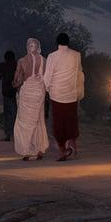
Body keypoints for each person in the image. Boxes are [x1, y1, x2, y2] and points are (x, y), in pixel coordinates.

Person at [42, 33, 84, 162]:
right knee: (71, 120)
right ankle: (72, 143)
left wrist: (46, 88)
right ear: (68, 42)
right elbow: (79, 74)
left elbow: (48, 76)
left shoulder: (52, 56)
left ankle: (62, 151)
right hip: (71, 93)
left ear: (57, 43)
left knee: (58, 122)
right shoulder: (76, 55)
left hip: (57, 94)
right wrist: (79, 92)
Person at [13, 37, 49, 161]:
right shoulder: (44, 60)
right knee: (38, 120)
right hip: (39, 92)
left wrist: (16, 83)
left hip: (26, 93)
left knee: (24, 121)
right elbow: (47, 79)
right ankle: (39, 149)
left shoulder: (22, 61)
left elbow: (16, 81)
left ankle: (26, 150)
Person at [0, 50, 19, 143]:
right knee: (16, 114)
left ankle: (8, 134)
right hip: (16, 92)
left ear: (5, 58)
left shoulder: (2, 65)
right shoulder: (17, 65)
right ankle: (16, 134)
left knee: (7, 115)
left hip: (6, 92)